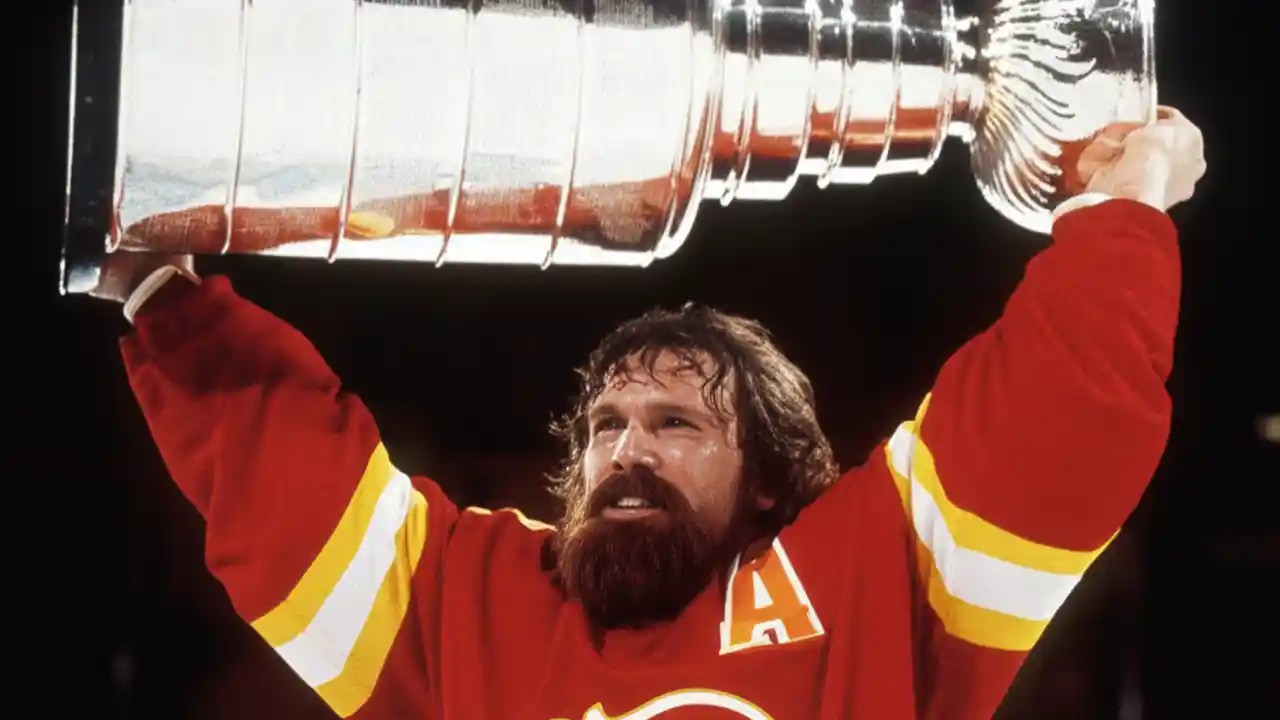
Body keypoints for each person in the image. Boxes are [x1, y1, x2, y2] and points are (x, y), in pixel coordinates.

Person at [90, 107, 1206, 719]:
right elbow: (285, 487)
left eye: (676, 424)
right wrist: (154, 292)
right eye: (605, 428)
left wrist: (1119, 211)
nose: (626, 450)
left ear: (766, 474)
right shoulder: (473, 606)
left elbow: (1058, 422)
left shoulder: (872, 573)